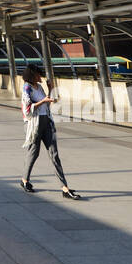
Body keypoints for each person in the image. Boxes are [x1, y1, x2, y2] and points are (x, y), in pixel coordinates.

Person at [19, 65, 80, 200]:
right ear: (33, 75)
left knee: (54, 154)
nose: (40, 77)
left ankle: (64, 188)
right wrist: (43, 101)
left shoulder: (39, 87)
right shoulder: (27, 88)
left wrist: (50, 89)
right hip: (35, 124)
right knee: (33, 153)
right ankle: (24, 180)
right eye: (38, 75)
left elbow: (45, 104)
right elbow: (27, 109)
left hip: (46, 122)